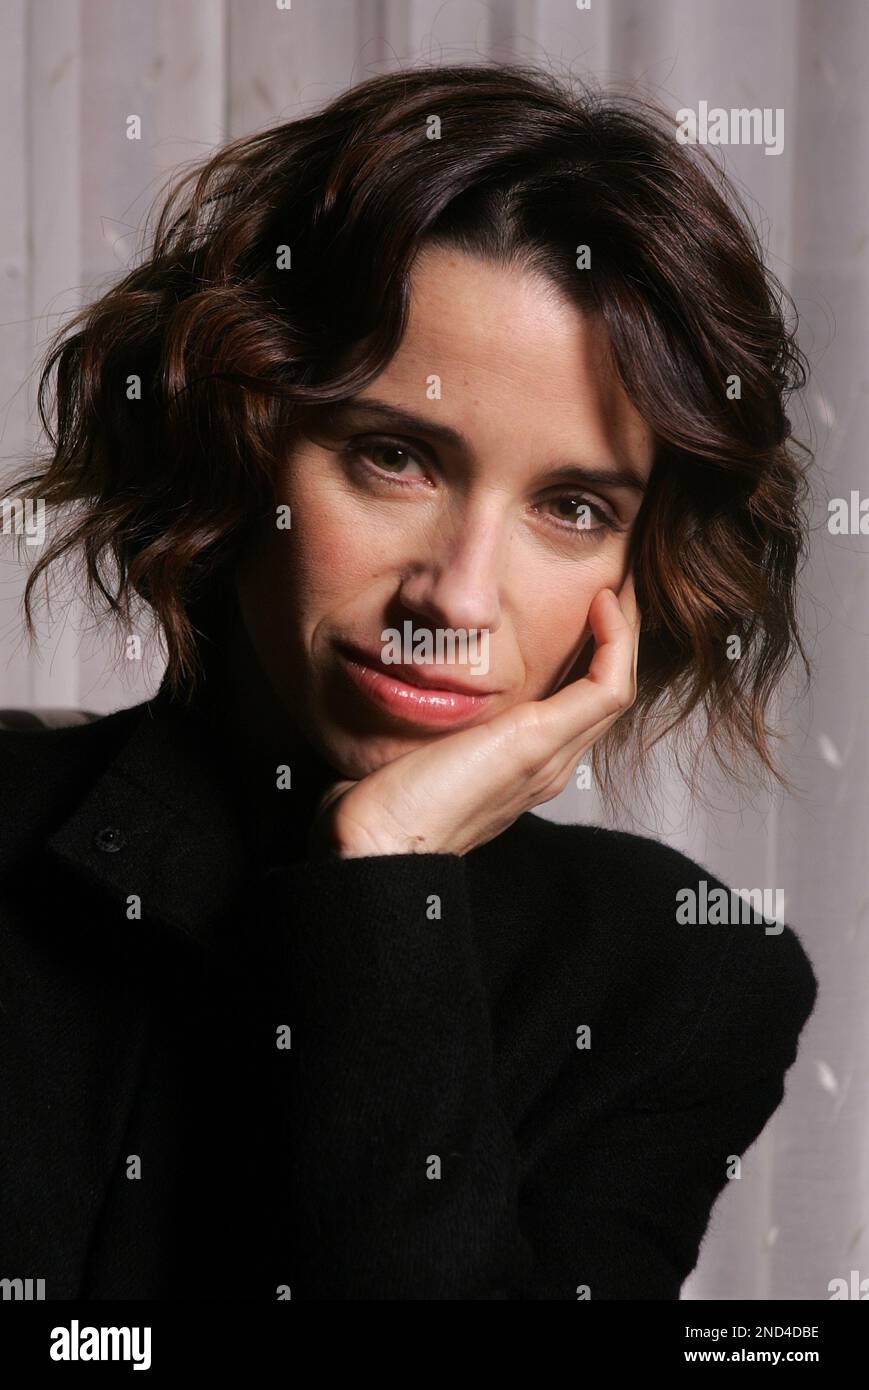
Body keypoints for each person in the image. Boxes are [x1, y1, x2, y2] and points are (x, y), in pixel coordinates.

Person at [0, 62, 818, 1300]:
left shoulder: (681, 979)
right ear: (240, 440)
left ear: (644, 567)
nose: (457, 597)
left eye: (573, 505)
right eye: (393, 456)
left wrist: (387, 876)